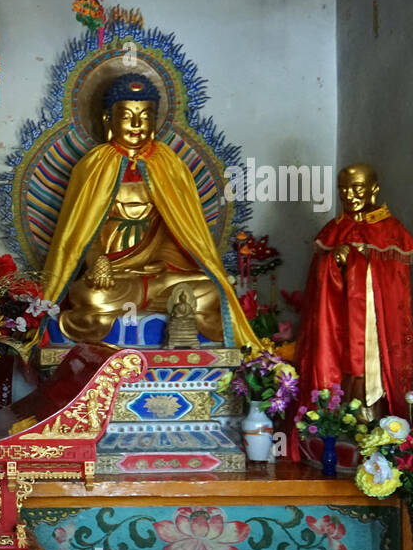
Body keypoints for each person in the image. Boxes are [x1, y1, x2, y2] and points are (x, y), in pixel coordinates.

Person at [40, 74, 260, 349]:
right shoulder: (94, 166)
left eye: (145, 116)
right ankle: (157, 301)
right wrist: (98, 260)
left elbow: (181, 232)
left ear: (155, 121)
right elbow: (79, 234)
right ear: (108, 119)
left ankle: (169, 300)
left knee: (211, 287)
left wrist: (165, 263)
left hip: (160, 275)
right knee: (88, 297)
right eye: (126, 116)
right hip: (112, 279)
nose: (136, 124)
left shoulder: (169, 164)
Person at [295, 163, 413, 419]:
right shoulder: (333, 229)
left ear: (374, 190)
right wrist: (335, 261)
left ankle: (373, 415)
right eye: (343, 189)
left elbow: (395, 282)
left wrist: (362, 260)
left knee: (369, 360)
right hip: (339, 315)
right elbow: (317, 284)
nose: (349, 196)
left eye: (357, 188)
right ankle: (336, 417)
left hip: (373, 316)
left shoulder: (391, 230)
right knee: (337, 359)